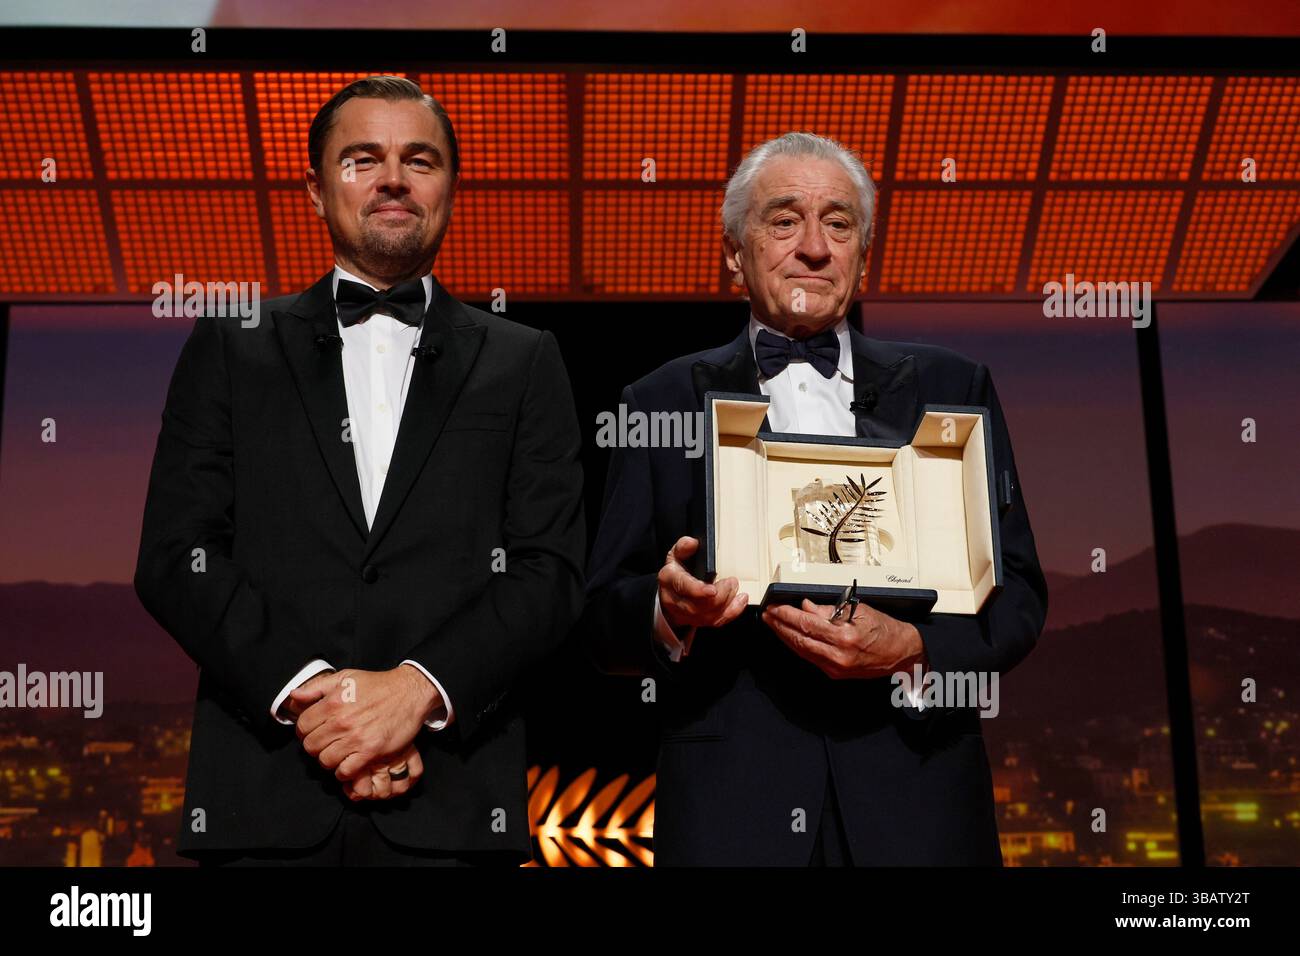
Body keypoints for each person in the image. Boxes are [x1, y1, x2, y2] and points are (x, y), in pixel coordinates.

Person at [134, 75, 585, 865]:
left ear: (450, 185)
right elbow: (177, 557)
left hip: (452, 804)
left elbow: (549, 573)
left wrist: (416, 692)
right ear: (315, 189)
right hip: (266, 803)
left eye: (420, 159)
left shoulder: (525, 360)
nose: (392, 179)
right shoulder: (232, 344)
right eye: (362, 159)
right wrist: (323, 701)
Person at [581, 132, 1048, 866]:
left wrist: (916, 650)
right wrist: (668, 608)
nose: (814, 247)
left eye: (839, 223)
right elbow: (601, 617)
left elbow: (1017, 595)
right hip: (732, 816)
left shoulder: (953, 388)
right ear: (734, 252)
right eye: (783, 220)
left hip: (921, 805)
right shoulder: (658, 399)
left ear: (865, 254)